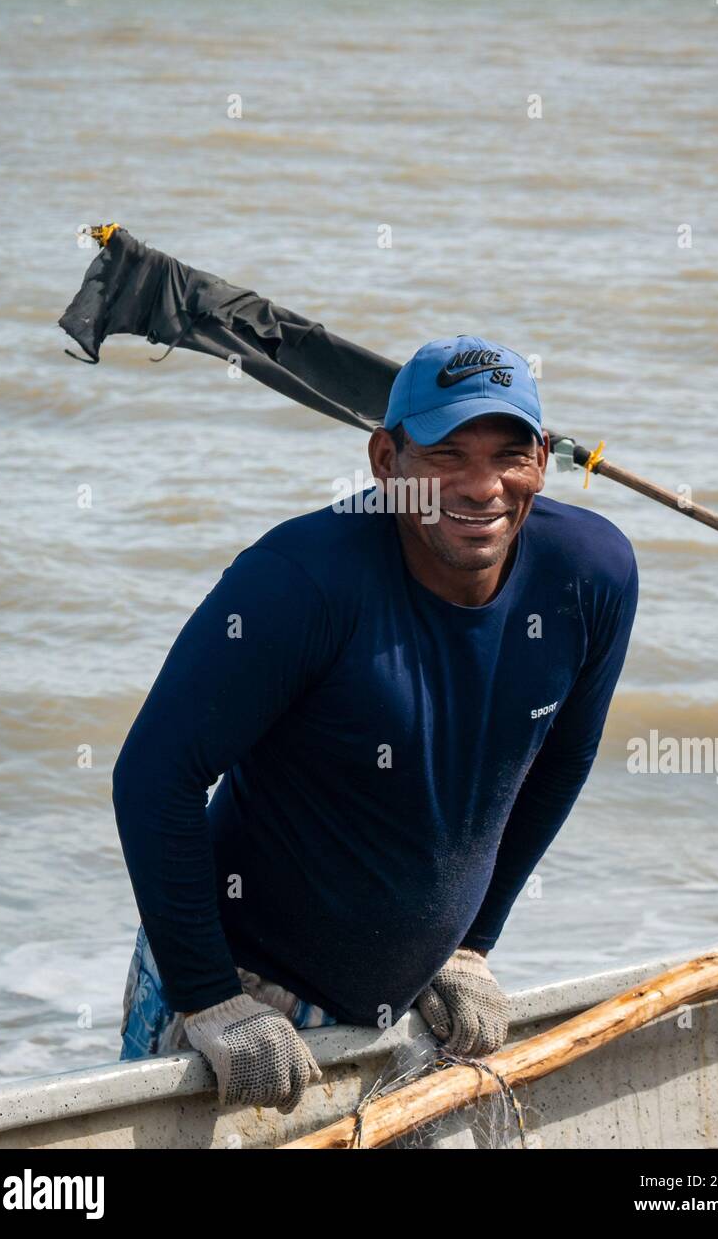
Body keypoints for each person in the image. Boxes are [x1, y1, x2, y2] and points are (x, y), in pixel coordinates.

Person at [112, 335, 639, 1113]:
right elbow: (155, 777)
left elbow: (561, 759)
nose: (481, 486)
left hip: (412, 996)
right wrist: (209, 997)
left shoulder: (592, 574)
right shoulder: (299, 582)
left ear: (543, 461)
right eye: (446, 454)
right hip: (241, 988)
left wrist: (471, 944)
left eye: (509, 453)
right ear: (386, 460)